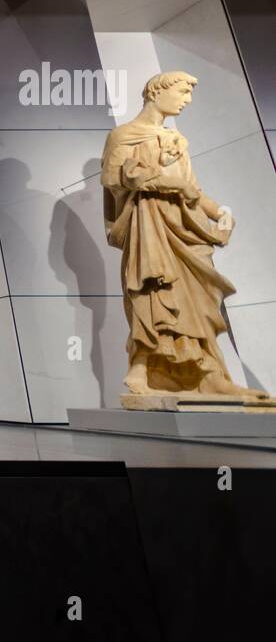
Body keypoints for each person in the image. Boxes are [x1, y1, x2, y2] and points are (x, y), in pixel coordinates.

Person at [101, 71, 269, 402]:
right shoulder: (123, 136)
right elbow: (114, 180)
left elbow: (194, 191)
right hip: (150, 232)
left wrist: (220, 212)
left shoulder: (177, 141)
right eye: (181, 92)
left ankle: (209, 375)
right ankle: (140, 370)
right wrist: (169, 183)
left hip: (186, 231)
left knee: (199, 299)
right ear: (155, 92)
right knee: (153, 297)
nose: (186, 100)